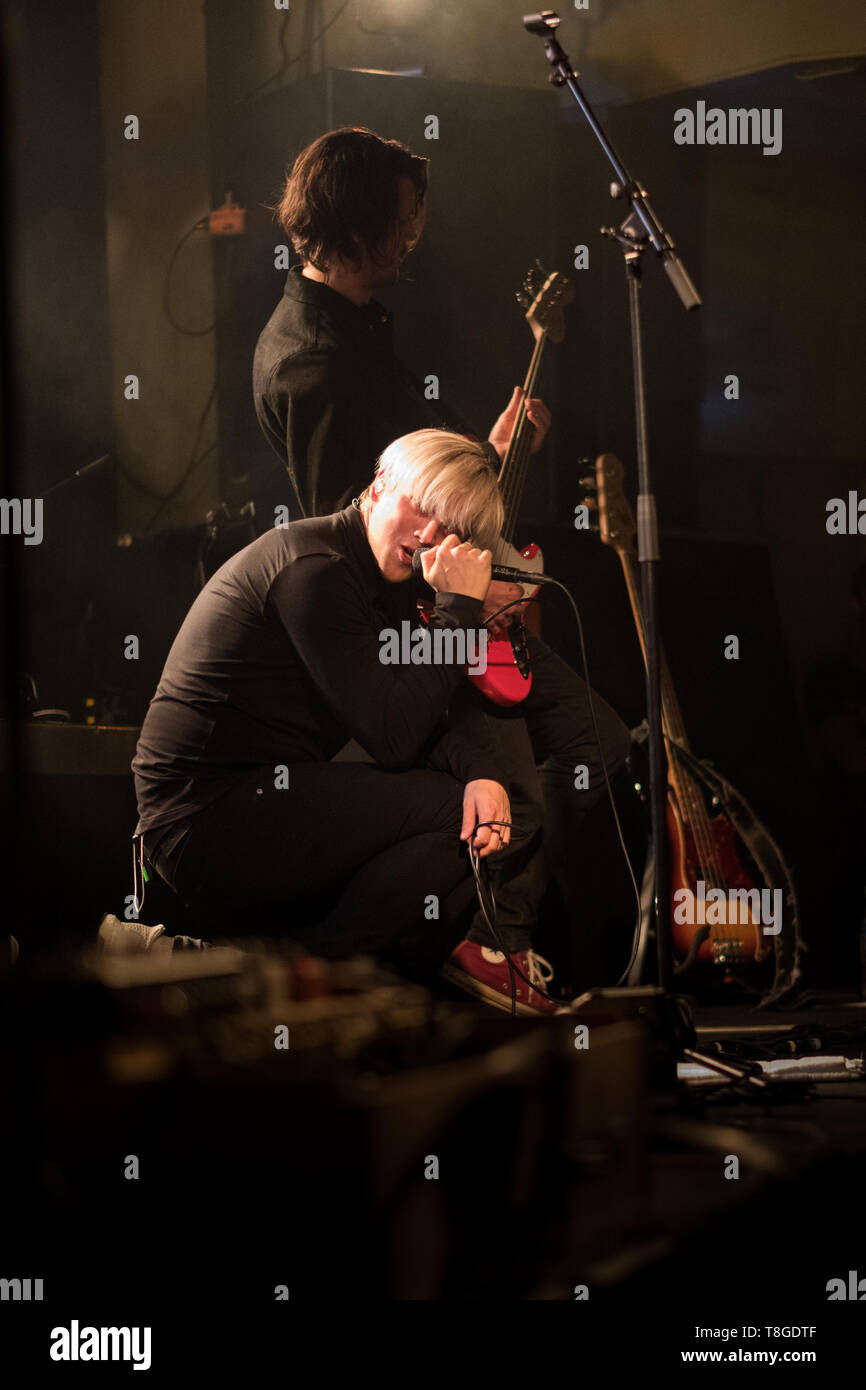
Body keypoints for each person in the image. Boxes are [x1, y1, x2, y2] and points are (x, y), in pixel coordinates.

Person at [126, 430, 591, 1015]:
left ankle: (317, 978)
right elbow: (392, 735)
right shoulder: (314, 569)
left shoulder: (381, 581)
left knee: (481, 808)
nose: (429, 535)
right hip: (200, 820)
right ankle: (310, 980)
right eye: (421, 507)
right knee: (453, 813)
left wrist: (480, 774)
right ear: (378, 488)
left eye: (450, 528)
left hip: (257, 797)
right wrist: (459, 610)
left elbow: (424, 716)